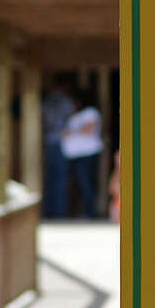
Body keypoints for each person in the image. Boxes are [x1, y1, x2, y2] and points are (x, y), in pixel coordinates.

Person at [60, 87, 106, 219]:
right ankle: (81, 211)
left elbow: (89, 129)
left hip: (87, 153)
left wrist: (71, 133)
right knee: (78, 184)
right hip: (74, 155)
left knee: (87, 183)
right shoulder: (74, 115)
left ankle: (90, 213)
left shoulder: (91, 112)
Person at [40, 78, 74, 218]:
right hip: (63, 142)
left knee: (49, 178)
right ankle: (60, 212)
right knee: (61, 178)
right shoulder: (67, 102)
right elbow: (72, 122)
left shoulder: (46, 102)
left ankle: (49, 211)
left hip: (48, 141)